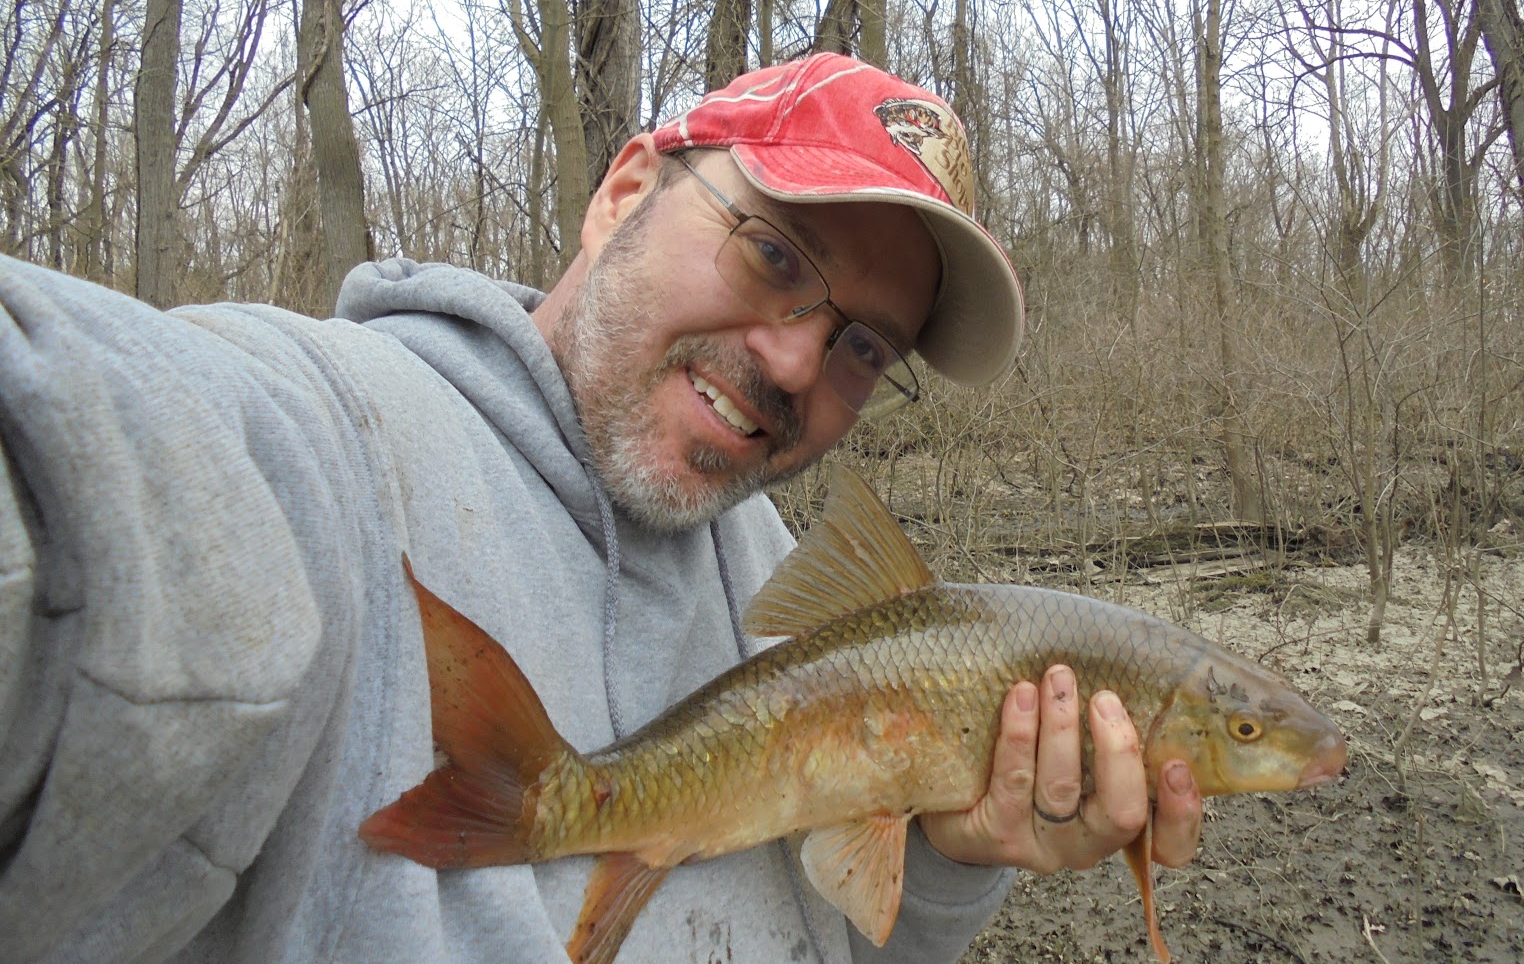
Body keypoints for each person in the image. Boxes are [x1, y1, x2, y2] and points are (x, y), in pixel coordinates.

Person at [0, 53, 1201, 964]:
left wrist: (943, 857)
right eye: (775, 255)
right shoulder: (325, 433)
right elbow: (106, 470)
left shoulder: (778, 581)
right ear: (623, 191)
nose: (794, 364)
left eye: (861, 345)